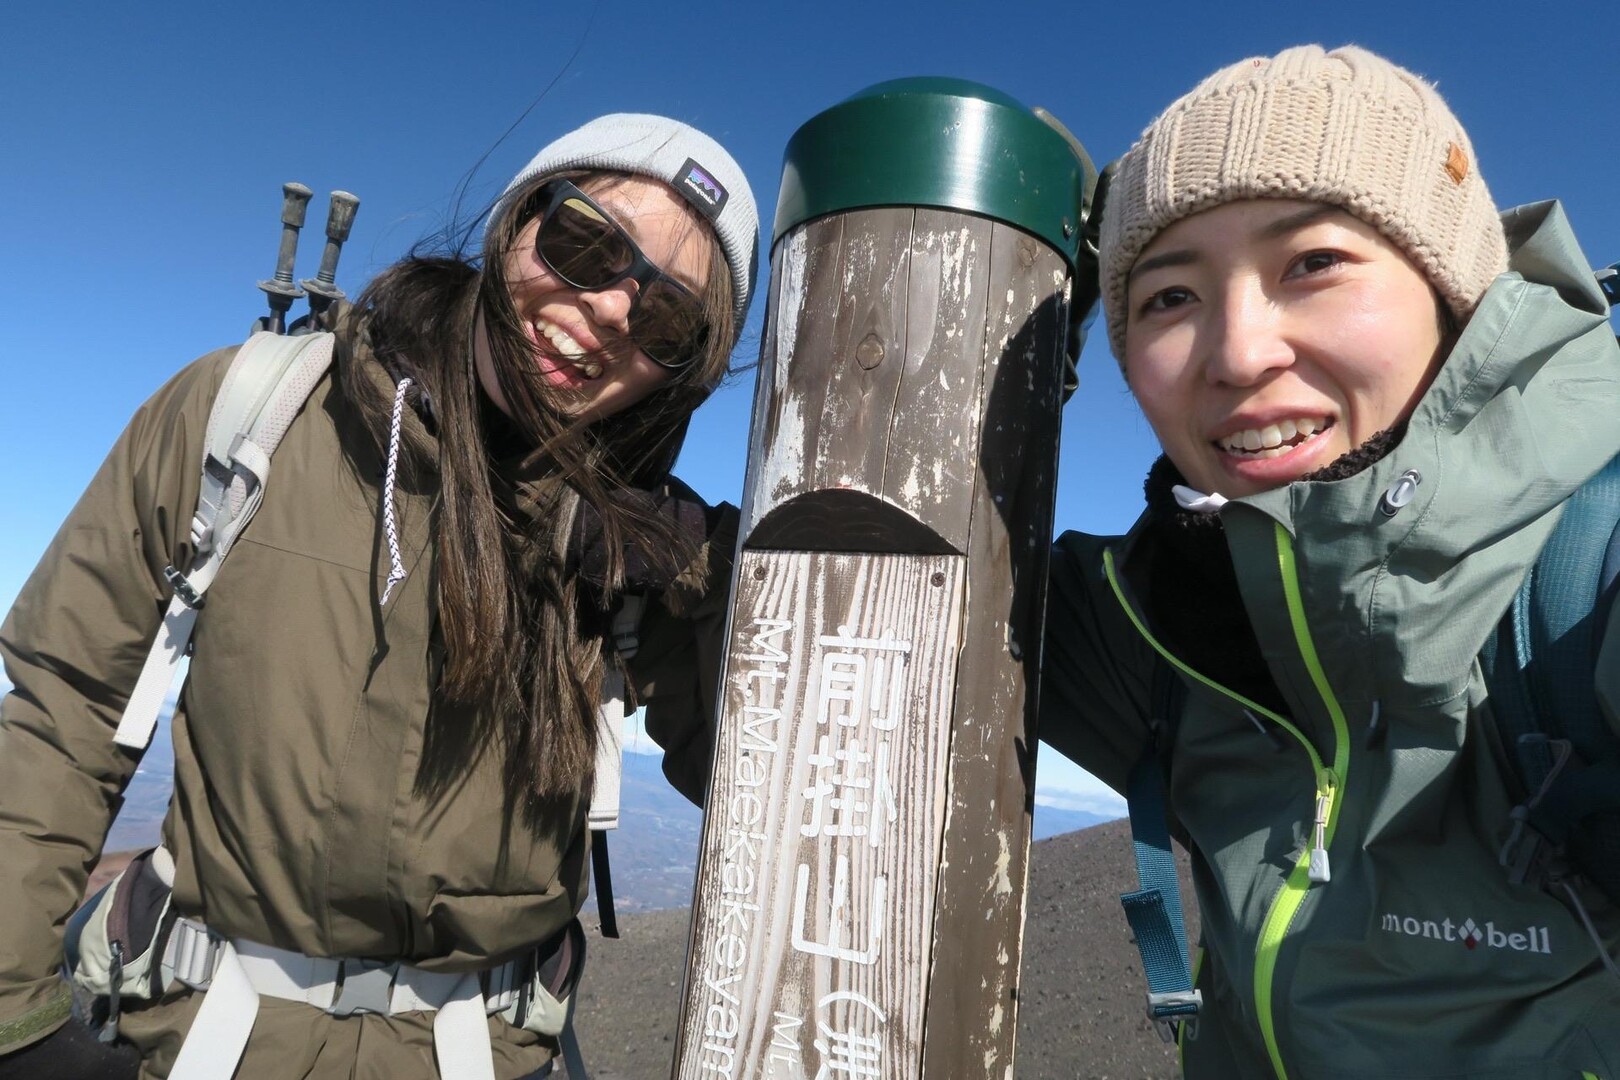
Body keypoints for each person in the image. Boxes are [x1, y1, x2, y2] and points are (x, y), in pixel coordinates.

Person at [0, 113, 758, 1079]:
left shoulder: (636, 553)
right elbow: (65, 712)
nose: (613, 308)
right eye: (587, 243)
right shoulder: (249, 417)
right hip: (196, 1042)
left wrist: (750, 589)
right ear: (517, 220)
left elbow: (762, 789)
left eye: (668, 323)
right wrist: (17, 1026)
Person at [1041, 45, 1620, 1077]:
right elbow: (818, 606)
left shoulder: (1587, 581)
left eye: (1311, 264)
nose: (1238, 353)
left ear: (1454, 294)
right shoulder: (1153, 616)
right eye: (1167, 298)